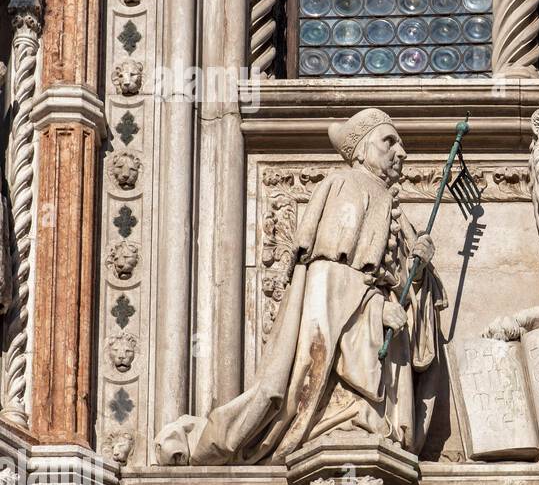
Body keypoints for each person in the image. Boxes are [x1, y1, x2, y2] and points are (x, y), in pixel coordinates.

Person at [157, 108, 444, 464]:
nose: (401, 152)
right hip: (352, 331)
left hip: (381, 347)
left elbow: (404, 288)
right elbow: (328, 274)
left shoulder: (392, 205)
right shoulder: (346, 185)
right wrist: (375, 309)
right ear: (361, 150)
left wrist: (417, 272)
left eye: (400, 143)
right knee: (307, 408)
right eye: (390, 141)